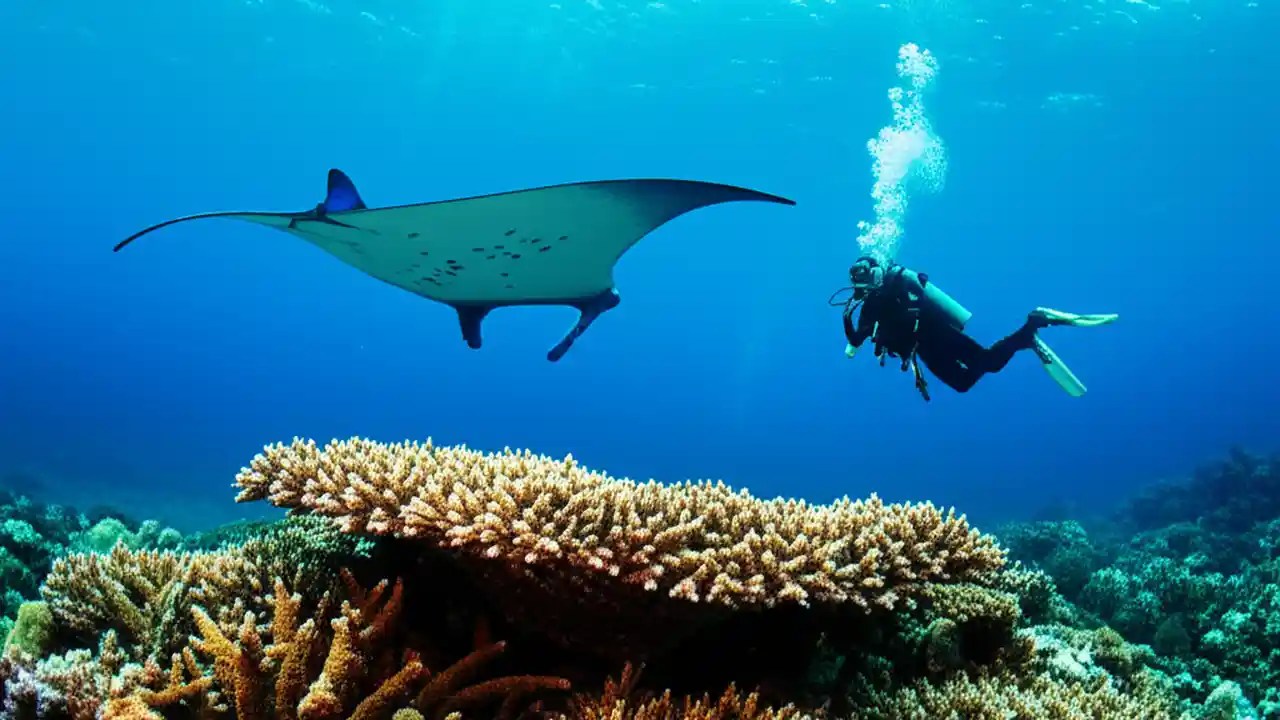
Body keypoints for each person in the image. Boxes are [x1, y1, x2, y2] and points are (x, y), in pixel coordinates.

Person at [835, 255, 1117, 401]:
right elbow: (856, 341)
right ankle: (1027, 334)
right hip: (926, 349)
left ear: (876, 271)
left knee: (984, 367)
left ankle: (1032, 324)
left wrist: (869, 324)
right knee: (966, 381)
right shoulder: (867, 306)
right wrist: (848, 321)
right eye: (859, 279)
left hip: (937, 336)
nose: (863, 283)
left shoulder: (897, 284)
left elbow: (914, 309)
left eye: (866, 275)